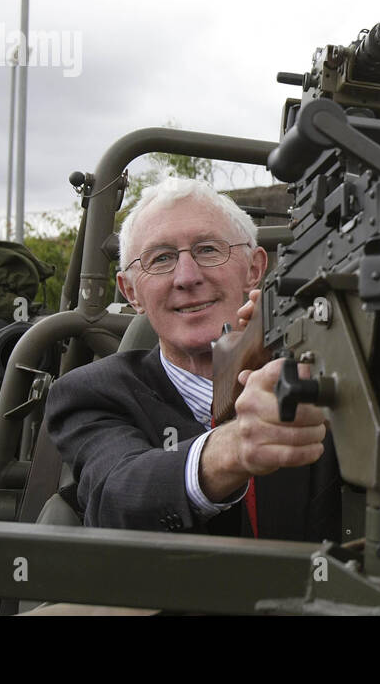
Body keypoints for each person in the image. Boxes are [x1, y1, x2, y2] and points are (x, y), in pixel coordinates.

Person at [45, 177, 340, 540]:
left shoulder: (320, 373)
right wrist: (233, 448)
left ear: (254, 269)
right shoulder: (91, 393)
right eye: (162, 258)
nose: (186, 277)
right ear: (131, 292)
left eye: (208, 250)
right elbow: (116, 496)